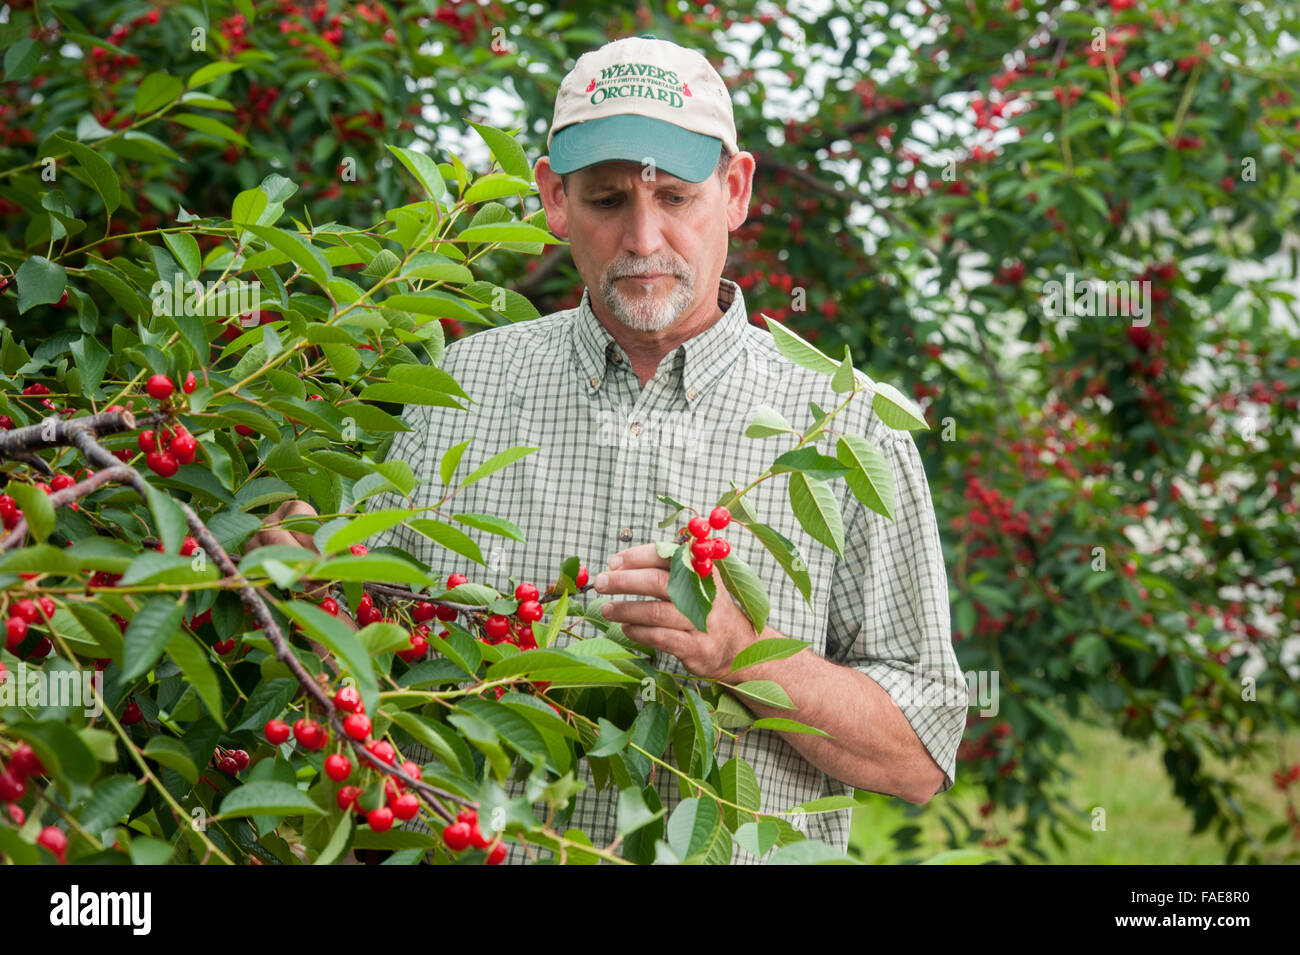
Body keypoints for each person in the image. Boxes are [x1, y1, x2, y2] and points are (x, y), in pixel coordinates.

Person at [248, 35, 967, 863]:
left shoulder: (847, 426)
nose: (643, 237)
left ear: (734, 191)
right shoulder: (450, 388)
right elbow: (360, 643)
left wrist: (739, 653)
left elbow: (918, 754)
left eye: (676, 196)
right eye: (606, 199)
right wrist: (306, 569)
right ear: (554, 199)